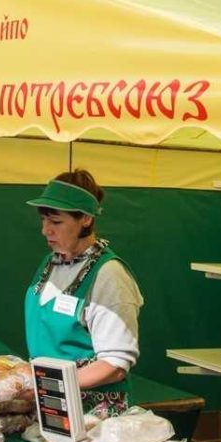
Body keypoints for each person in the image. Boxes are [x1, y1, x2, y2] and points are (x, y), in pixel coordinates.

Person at [24, 169, 143, 418]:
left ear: (86, 219)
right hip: (51, 405)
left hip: (93, 419)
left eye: (56, 222)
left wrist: (48, 385)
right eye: (44, 220)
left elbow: (115, 364)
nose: (45, 230)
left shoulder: (109, 275)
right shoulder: (50, 263)